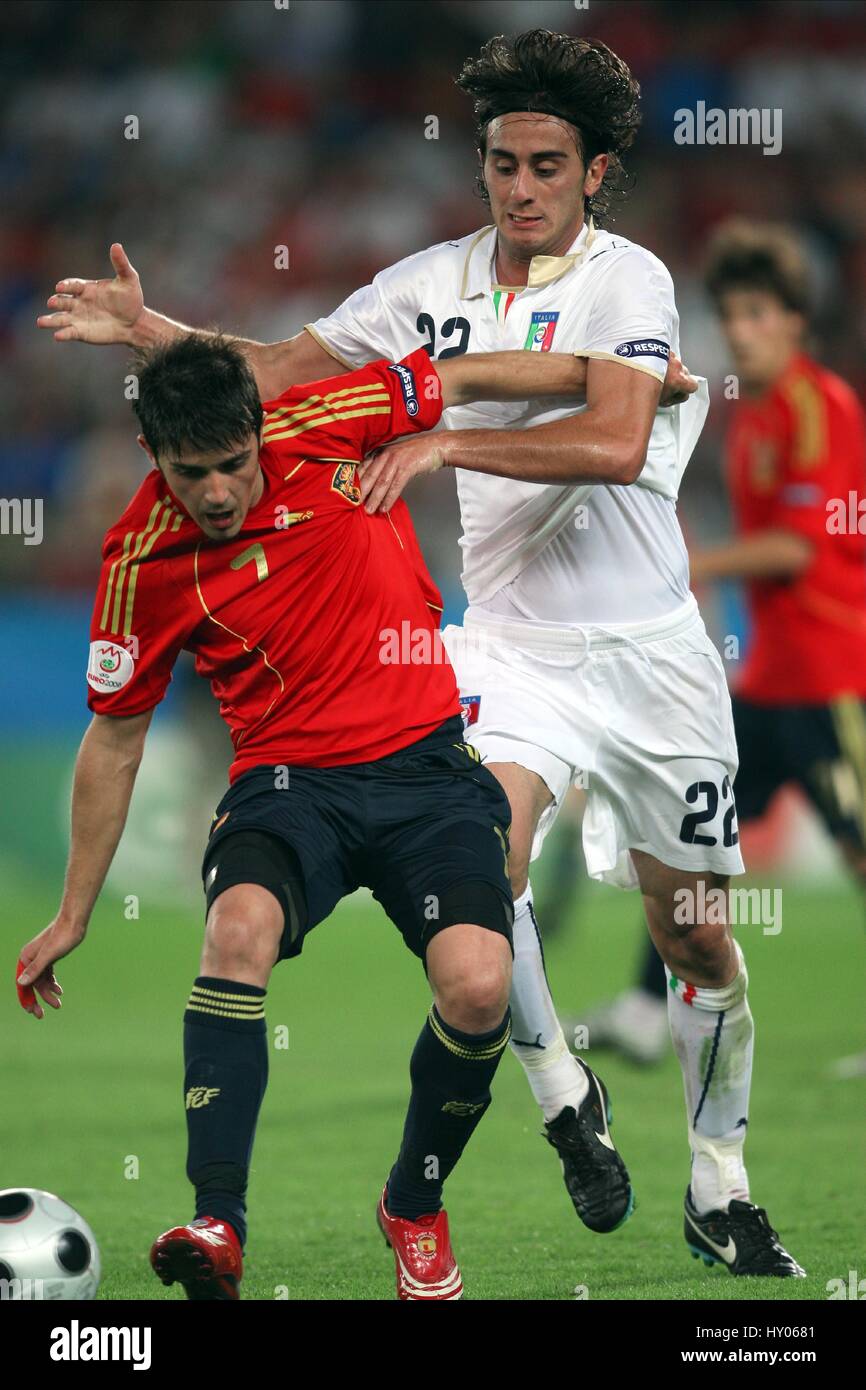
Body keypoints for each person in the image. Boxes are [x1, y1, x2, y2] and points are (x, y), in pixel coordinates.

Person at [36, 29, 803, 1277]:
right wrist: (150, 330)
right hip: (507, 643)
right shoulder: (422, 284)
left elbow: (615, 440)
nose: (520, 188)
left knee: (696, 938)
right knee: (484, 864)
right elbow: (267, 379)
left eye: (546, 167)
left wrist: (444, 436)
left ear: (594, 173)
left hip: (653, 650)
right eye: (501, 164)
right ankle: (561, 1094)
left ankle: (718, 1181)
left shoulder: (630, 282)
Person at [16, 334, 627, 1301]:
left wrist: (616, 379)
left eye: (232, 464)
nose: (216, 493)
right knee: (236, 930)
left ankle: (413, 1204)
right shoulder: (142, 557)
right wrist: (73, 913)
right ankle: (219, 1221)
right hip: (287, 784)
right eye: (189, 473)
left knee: (479, 986)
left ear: (258, 429)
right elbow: (116, 739)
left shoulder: (328, 418)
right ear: (152, 453)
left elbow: (463, 374)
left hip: (426, 768)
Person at [584, 221, 866, 1083]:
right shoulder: (754, 417)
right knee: (698, 840)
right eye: (731, 315)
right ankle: (646, 1007)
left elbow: (798, 548)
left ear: (795, 320)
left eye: (757, 313)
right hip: (770, 681)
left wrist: (689, 565)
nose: (741, 331)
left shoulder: (820, 408)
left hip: (832, 677)